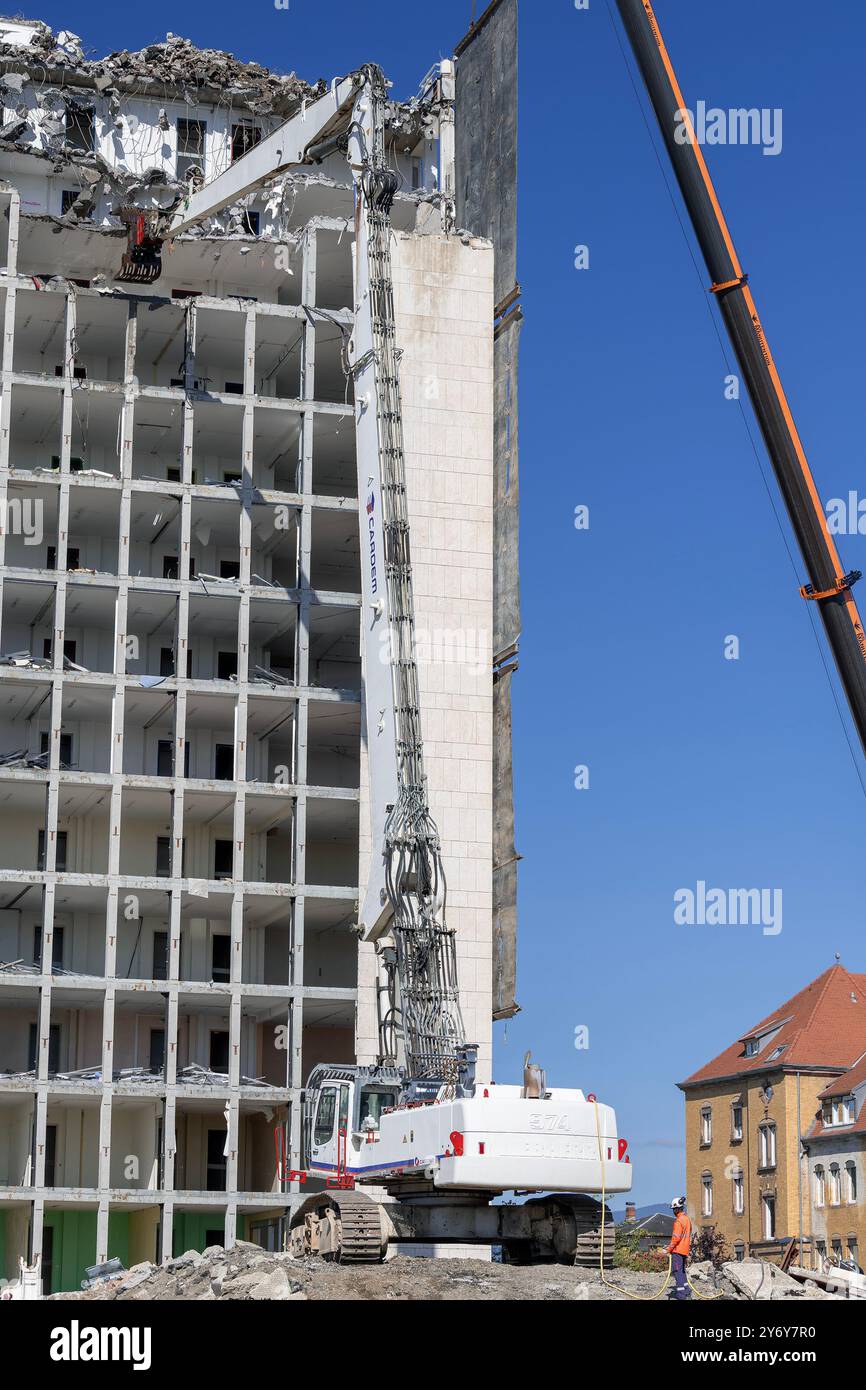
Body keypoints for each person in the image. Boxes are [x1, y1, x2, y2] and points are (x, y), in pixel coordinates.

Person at [665, 1196, 692, 1300]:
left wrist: (669, 1249)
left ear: (676, 1209)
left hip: (677, 1250)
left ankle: (681, 1295)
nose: (673, 1211)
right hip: (685, 1250)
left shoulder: (678, 1221)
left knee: (677, 1272)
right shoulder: (687, 1219)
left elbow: (676, 1238)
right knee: (682, 1271)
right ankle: (687, 1290)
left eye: (673, 1209)